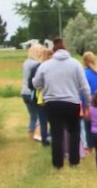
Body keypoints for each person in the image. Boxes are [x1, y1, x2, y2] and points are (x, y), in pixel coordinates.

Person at [32, 38, 91, 169]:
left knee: (56, 133)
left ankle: (57, 163)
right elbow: (84, 86)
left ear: (54, 51)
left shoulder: (46, 65)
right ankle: (74, 161)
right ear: (66, 50)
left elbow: (36, 83)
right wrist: (88, 102)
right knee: (74, 132)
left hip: (52, 103)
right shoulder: (75, 64)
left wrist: (44, 85)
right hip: (72, 102)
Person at [27, 46, 53, 146]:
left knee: (42, 119)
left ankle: (44, 139)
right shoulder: (54, 68)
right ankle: (52, 136)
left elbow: (30, 84)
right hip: (52, 96)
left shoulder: (36, 68)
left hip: (40, 97)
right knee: (54, 118)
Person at [21, 45, 44, 140]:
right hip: (32, 92)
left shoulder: (26, 63)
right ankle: (38, 134)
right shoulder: (36, 64)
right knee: (40, 114)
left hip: (24, 92)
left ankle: (30, 135)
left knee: (33, 115)